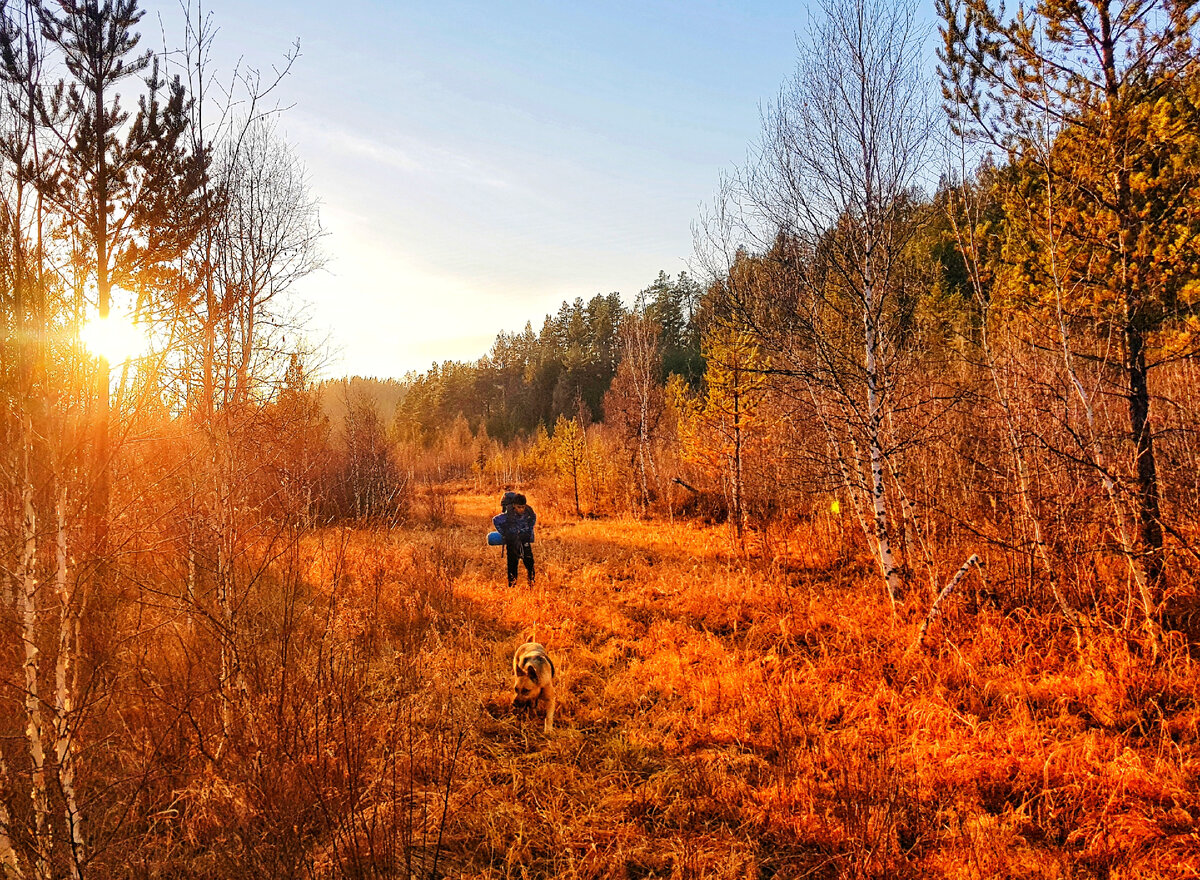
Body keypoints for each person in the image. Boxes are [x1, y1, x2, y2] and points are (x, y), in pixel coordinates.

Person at [493, 493, 535, 587]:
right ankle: (512, 586)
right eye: (519, 507)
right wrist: (505, 533)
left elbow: (533, 518)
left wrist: (529, 530)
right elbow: (495, 520)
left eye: (523, 507)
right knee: (512, 563)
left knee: (529, 561)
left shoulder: (529, 512)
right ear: (513, 506)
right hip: (512, 540)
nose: (521, 509)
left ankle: (531, 583)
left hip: (524, 538)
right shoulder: (508, 515)